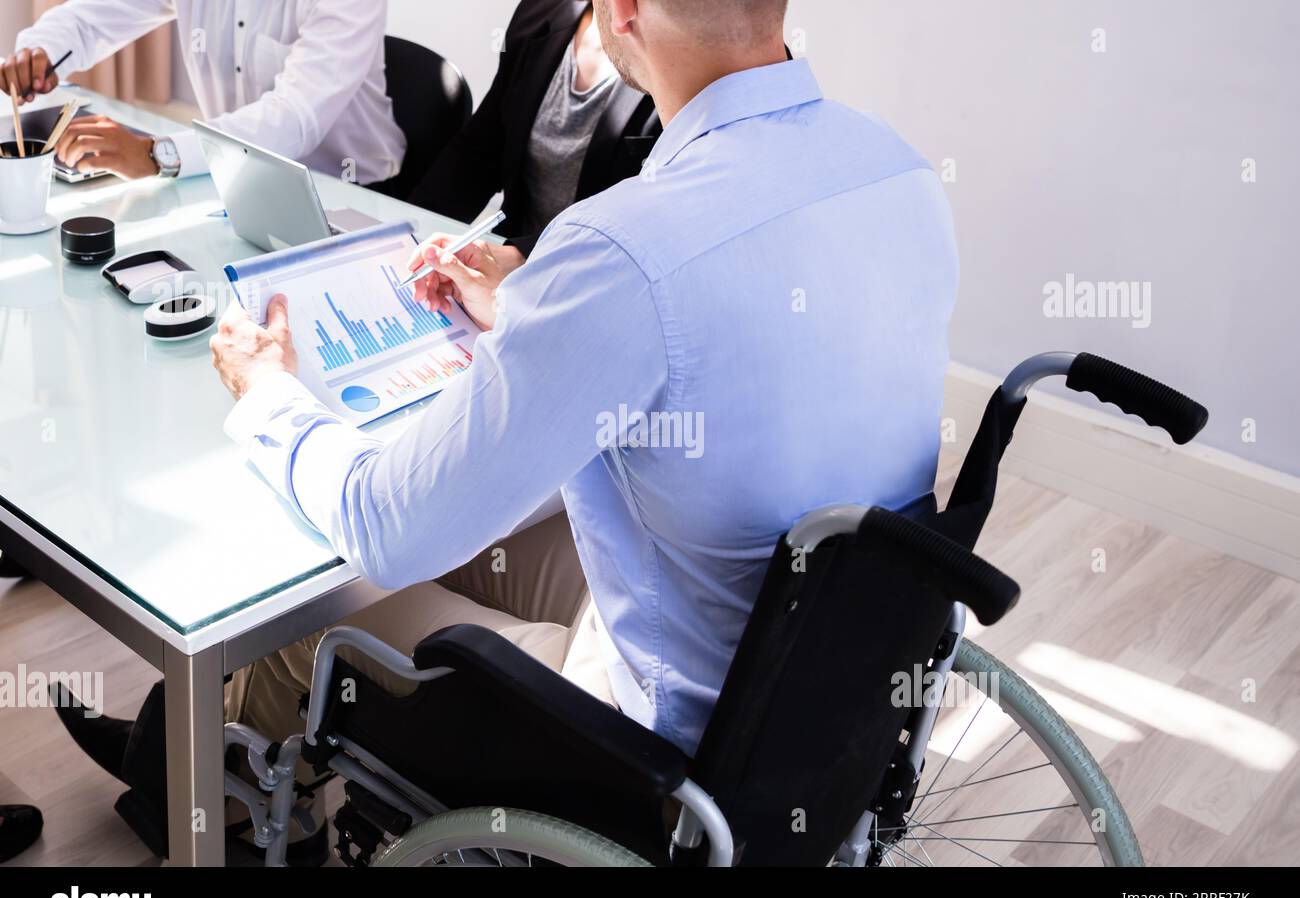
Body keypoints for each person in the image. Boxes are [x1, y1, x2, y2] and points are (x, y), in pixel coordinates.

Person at [68, 0, 958, 848]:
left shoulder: (628, 244)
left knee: (318, 599)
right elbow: (741, 348)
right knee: (469, 524)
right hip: (825, 679)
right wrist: (542, 305)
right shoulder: (900, 170)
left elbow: (386, 528)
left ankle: (208, 798)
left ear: (623, 17)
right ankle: (205, 769)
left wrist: (268, 396)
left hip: (657, 749)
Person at [4, 0, 404, 185]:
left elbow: (295, 119)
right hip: (234, 177)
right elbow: (89, 18)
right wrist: (39, 51)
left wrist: (158, 154)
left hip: (350, 190)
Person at [409, 0, 661, 263]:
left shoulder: (677, 53)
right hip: (508, 261)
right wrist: (408, 230)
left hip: (600, 274)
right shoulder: (541, 11)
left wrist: (522, 256)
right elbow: (480, 152)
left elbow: (650, 219)